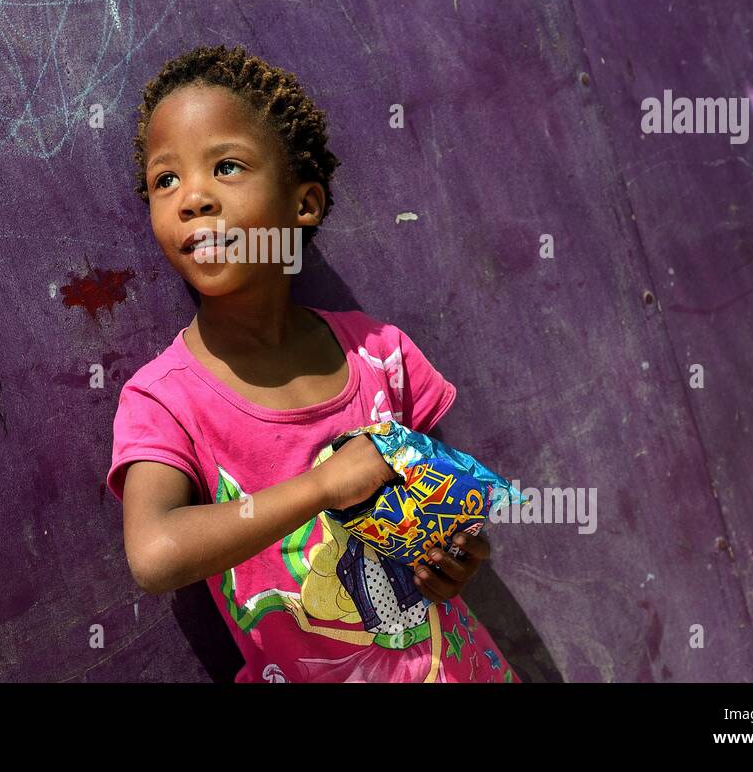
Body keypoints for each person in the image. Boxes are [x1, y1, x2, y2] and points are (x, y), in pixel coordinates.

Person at [107, 44, 520, 683]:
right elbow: (155, 553)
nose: (192, 197)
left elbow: (446, 513)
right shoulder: (166, 399)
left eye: (226, 167)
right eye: (167, 180)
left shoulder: (381, 356)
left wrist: (456, 557)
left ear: (304, 205)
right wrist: (323, 487)